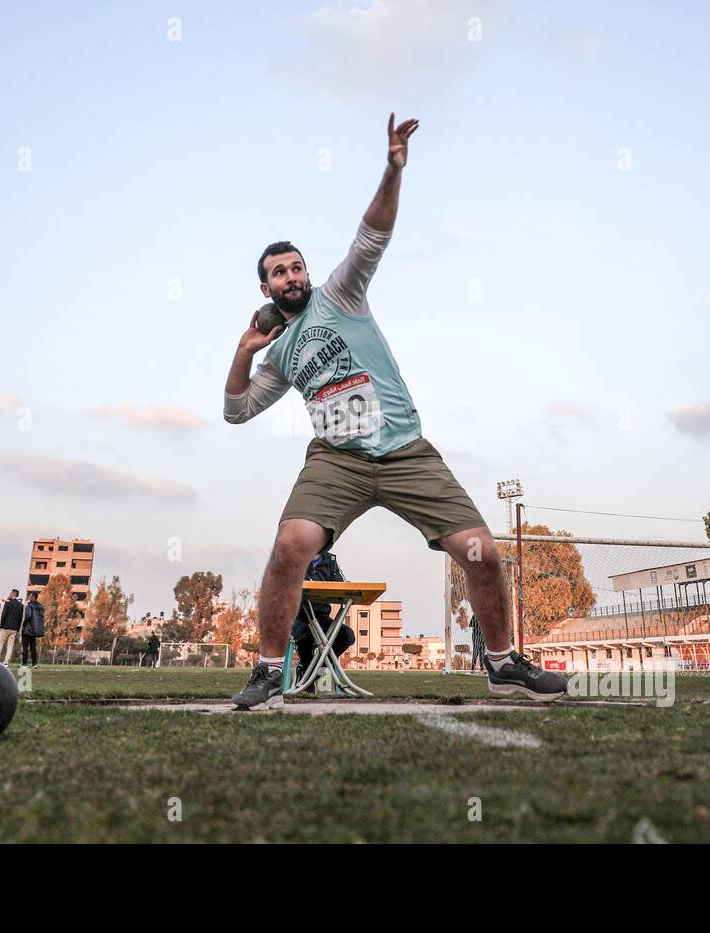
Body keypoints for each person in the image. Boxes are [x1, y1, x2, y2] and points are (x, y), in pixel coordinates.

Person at [223, 115, 567, 710]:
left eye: (296, 266)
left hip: (405, 451)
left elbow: (372, 234)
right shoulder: (277, 353)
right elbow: (237, 411)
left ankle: (504, 665)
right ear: (266, 291)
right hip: (336, 462)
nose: (292, 277)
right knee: (289, 548)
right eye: (279, 273)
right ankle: (269, 671)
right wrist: (243, 352)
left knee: (482, 552)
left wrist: (393, 166)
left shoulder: (340, 294)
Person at [290, 552, 356, 688]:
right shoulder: (296, 558)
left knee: (347, 635)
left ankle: (311, 671)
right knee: (304, 636)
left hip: (321, 617)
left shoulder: (330, 562)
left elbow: (341, 587)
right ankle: (308, 671)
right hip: (298, 615)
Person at [0, 589, 23, 664]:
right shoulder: (20, 606)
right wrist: (17, 629)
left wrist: (1, 625)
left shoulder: (7, 604)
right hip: (14, 628)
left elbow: (4, 615)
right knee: (10, 646)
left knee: (0, 644)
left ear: (12, 594)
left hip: (6, 627)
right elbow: (20, 618)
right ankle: (6, 662)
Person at [21, 593, 44, 667]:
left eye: (30, 596)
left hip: (28, 629)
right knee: (33, 647)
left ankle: (24, 663)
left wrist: (24, 625)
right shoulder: (40, 607)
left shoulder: (30, 606)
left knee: (25, 647)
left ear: (33, 597)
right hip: (35, 630)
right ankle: (34, 663)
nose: (29, 597)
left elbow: (28, 615)